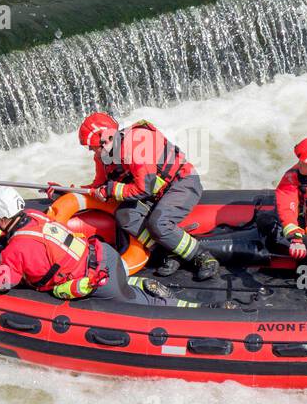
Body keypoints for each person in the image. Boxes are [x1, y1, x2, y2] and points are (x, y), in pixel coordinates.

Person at [49, 112, 221, 281]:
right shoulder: (103, 156)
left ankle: (202, 257)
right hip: (156, 192)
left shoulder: (137, 145)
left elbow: (143, 188)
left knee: (159, 223)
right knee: (124, 215)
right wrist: (66, 191)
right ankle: (167, 252)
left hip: (181, 183)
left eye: (92, 146)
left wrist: (111, 190)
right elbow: (97, 188)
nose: (90, 149)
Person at [0, 187, 195, 306]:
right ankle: (148, 286)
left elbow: (2, 283)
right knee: (128, 286)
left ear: (0, 216)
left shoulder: (15, 250)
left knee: (143, 305)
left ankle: (185, 308)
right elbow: (19, 236)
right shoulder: (32, 215)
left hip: (96, 279)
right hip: (105, 257)